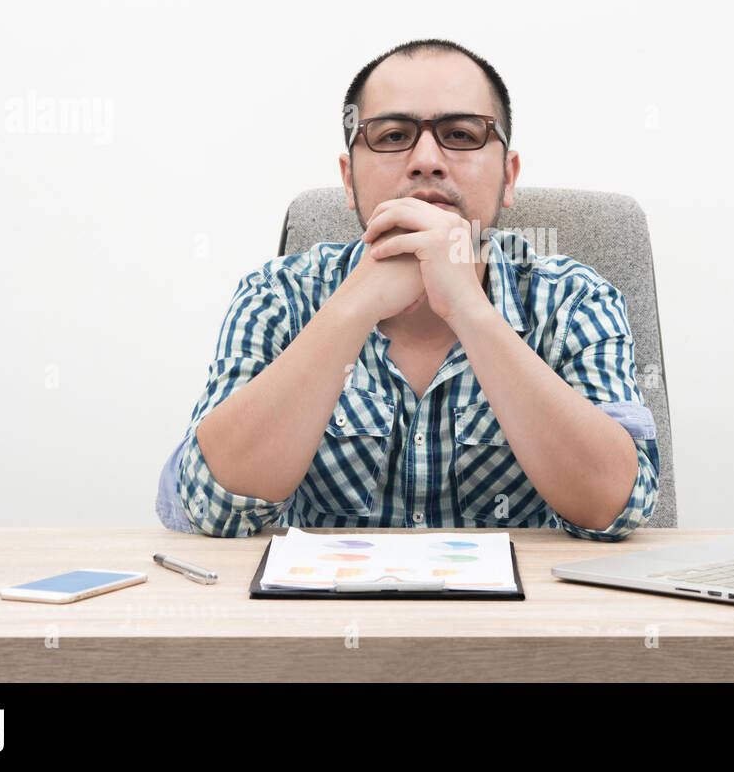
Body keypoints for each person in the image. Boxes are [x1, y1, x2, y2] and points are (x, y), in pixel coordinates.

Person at [156, 38, 658, 540]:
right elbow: (210, 506)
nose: (425, 161)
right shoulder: (277, 295)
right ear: (349, 179)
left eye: (460, 134)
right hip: (322, 614)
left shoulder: (573, 301)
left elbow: (617, 509)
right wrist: (353, 307)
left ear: (508, 176)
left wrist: (470, 309)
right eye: (393, 136)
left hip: (513, 618)